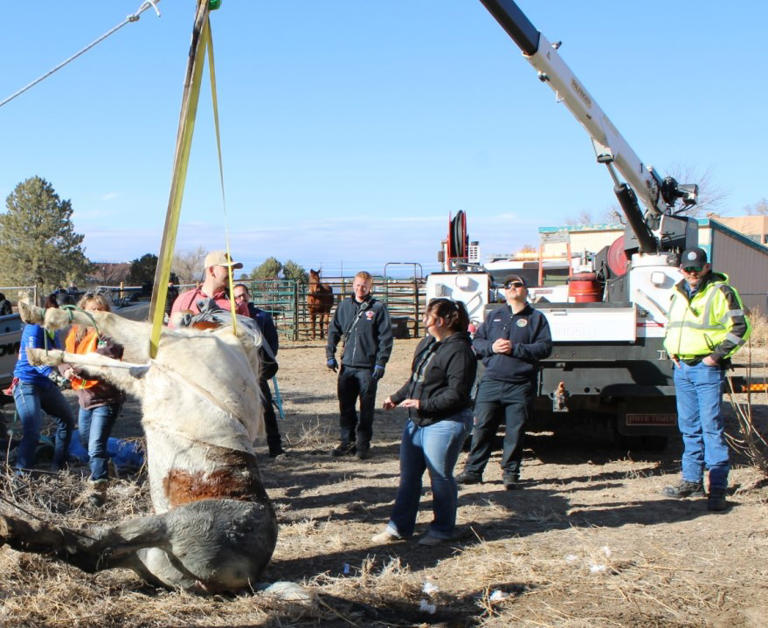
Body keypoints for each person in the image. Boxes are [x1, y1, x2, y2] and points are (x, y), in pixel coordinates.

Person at [372, 299, 477, 546]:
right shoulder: (428, 344)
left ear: (440, 321)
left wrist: (422, 404)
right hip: (418, 421)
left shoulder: (460, 351)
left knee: (440, 476)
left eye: (427, 316)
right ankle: (399, 527)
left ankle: (442, 530)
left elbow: (456, 394)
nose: (424, 321)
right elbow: (416, 380)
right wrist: (397, 398)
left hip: (445, 422)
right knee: (409, 476)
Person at [662, 247, 750, 511]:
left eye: (696, 269)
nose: (692, 273)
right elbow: (672, 327)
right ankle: (691, 481)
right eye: (687, 269)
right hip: (683, 367)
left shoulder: (722, 291)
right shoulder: (677, 293)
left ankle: (718, 489)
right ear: (681, 270)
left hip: (706, 367)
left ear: (707, 267)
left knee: (711, 427)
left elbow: (740, 328)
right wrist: (672, 351)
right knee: (689, 426)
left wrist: (714, 357)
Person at [456, 274, 552, 490]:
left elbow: (545, 347)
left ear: (526, 290)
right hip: (491, 382)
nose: (512, 288)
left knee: (515, 432)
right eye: (508, 286)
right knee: (481, 428)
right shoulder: (494, 316)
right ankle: (473, 471)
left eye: (517, 285)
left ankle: (510, 473)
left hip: (520, 384)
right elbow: (477, 342)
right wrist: (492, 348)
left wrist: (516, 349)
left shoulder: (536, 318)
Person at [60, 293, 125, 505]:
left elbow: (108, 354)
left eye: (99, 308)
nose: (94, 313)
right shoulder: (76, 333)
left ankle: (98, 489)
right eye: (90, 309)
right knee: (86, 440)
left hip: (106, 399)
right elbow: (64, 356)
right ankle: (109, 467)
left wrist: (79, 369)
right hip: (85, 398)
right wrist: (66, 370)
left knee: (95, 446)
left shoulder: (110, 333)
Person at [326, 271, 393, 459]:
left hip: (367, 367)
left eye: (364, 285)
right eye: (357, 285)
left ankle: (363, 444)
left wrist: (381, 362)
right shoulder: (344, 307)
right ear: (352, 285)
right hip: (347, 366)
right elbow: (334, 331)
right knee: (346, 406)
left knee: (366, 408)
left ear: (370, 286)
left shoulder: (378, 308)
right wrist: (329, 354)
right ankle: (347, 442)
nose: (360, 288)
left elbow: (385, 338)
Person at [12, 292, 75, 472]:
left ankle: (59, 464)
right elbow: (34, 359)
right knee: (32, 430)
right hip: (27, 383)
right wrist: (55, 377)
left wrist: (69, 370)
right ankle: (21, 474)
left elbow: (58, 357)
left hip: (45, 385)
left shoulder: (52, 331)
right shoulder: (35, 327)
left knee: (67, 420)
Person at [233, 283, 285, 458]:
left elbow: (272, 342)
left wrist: (263, 363)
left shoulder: (262, 317)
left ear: (249, 295)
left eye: (243, 295)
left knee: (266, 407)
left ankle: (276, 447)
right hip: (236, 373)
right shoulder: (229, 318)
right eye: (237, 297)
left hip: (257, 371)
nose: (241, 299)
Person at [169, 250, 249, 320]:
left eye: (232, 269)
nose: (231, 273)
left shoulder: (238, 304)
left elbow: (248, 335)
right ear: (211, 270)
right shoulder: (184, 300)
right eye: (227, 269)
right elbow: (172, 335)